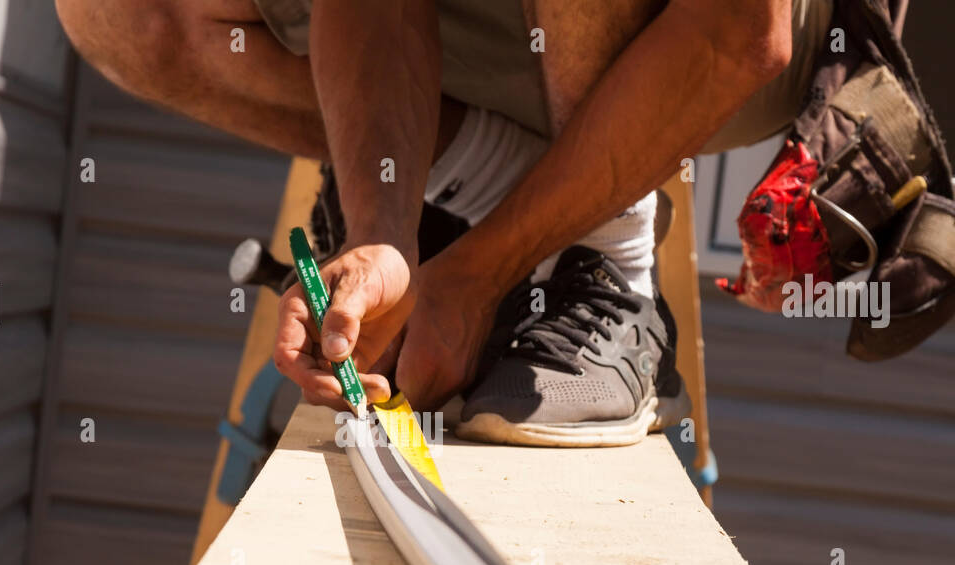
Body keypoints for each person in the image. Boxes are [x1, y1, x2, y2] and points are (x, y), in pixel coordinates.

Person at [56, 0, 830, 446]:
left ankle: (608, 267)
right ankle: (485, 185)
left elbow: (742, 36)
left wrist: (474, 277)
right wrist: (382, 236)